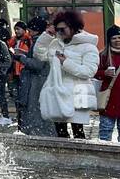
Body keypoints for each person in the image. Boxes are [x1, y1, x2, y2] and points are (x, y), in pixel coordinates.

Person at [33, 8, 100, 139]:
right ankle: (62, 159)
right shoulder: (55, 43)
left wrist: (65, 62)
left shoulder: (88, 47)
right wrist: (46, 35)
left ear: (74, 27)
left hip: (77, 95)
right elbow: (39, 55)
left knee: (78, 132)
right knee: (60, 132)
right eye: (57, 29)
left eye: (62, 29)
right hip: (57, 93)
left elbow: (89, 71)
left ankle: (81, 158)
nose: (59, 32)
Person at [13, 15, 55, 136]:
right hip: (37, 81)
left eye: (30, 30)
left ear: (36, 30)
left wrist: (21, 58)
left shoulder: (40, 42)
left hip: (36, 83)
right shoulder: (41, 41)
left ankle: (40, 139)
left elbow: (38, 64)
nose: (28, 33)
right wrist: (25, 54)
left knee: (35, 113)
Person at [95, 24, 120, 142]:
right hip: (108, 100)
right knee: (105, 133)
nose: (117, 40)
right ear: (110, 40)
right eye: (114, 38)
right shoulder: (103, 55)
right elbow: (94, 72)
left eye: (119, 37)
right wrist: (104, 73)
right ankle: (104, 159)